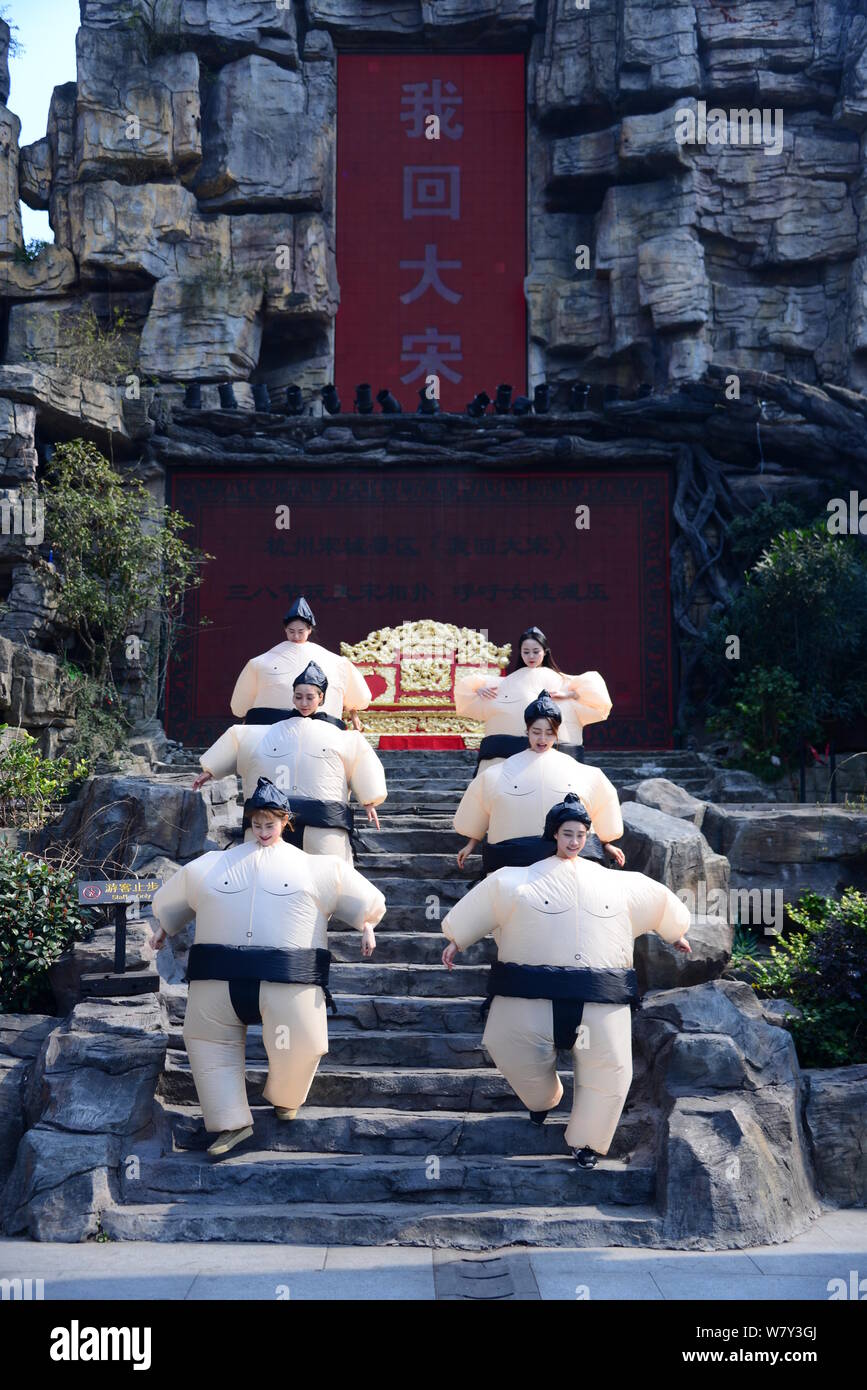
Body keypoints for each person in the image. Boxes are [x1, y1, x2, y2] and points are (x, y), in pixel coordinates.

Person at [441, 793, 691, 1167]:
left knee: (610, 1071)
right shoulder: (516, 881)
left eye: (580, 835)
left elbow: (657, 902)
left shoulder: (618, 884)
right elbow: (485, 902)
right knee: (505, 1044)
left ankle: (587, 1143)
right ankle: (543, 1098)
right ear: (554, 835)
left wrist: (675, 932)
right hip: (528, 997)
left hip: (600, 1000)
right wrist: (457, 939)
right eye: (567, 834)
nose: (574, 842)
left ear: (588, 837)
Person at [149, 777, 386, 1157]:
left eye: (270, 825)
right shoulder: (212, 865)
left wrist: (368, 925)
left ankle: (286, 1095)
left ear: (285, 822)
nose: (262, 832)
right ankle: (230, 1122)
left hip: (287, 980)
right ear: (248, 822)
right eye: (256, 824)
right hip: (217, 983)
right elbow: (179, 895)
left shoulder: (314, 867)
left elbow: (354, 892)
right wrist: (164, 928)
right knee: (206, 1042)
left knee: (303, 1043)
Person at [193, 661, 386, 860]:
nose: (303, 703)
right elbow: (237, 738)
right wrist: (210, 769)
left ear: (321, 698)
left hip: (322, 820)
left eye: (309, 697)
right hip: (269, 819)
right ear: (292, 697)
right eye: (298, 697)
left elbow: (361, 758)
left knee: (327, 872)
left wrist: (369, 800)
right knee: (263, 868)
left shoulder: (344, 738)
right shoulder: (266, 732)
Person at [454, 692, 626, 873]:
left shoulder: (583, 772)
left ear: (557, 734)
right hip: (514, 858)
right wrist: (471, 843)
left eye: (549, 733)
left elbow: (594, 809)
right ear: (527, 731)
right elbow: (481, 807)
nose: (542, 739)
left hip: (564, 860)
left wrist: (606, 843)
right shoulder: (498, 773)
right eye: (536, 732)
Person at [454, 625, 612, 774]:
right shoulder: (503, 684)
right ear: (520, 653)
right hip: (504, 756)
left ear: (545, 652)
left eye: (536, 651)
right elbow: (467, 692)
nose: (531, 656)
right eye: (526, 651)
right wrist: (478, 689)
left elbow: (597, 701)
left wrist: (570, 694)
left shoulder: (566, 684)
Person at [229, 596, 372, 732]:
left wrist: (353, 712)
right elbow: (359, 699)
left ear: (309, 630)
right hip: (282, 730)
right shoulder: (338, 663)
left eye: (300, 631)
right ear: (285, 630)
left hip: (312, 731)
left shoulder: (258, 663)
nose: (296, 636)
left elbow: (240, 707)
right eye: (291, 631)